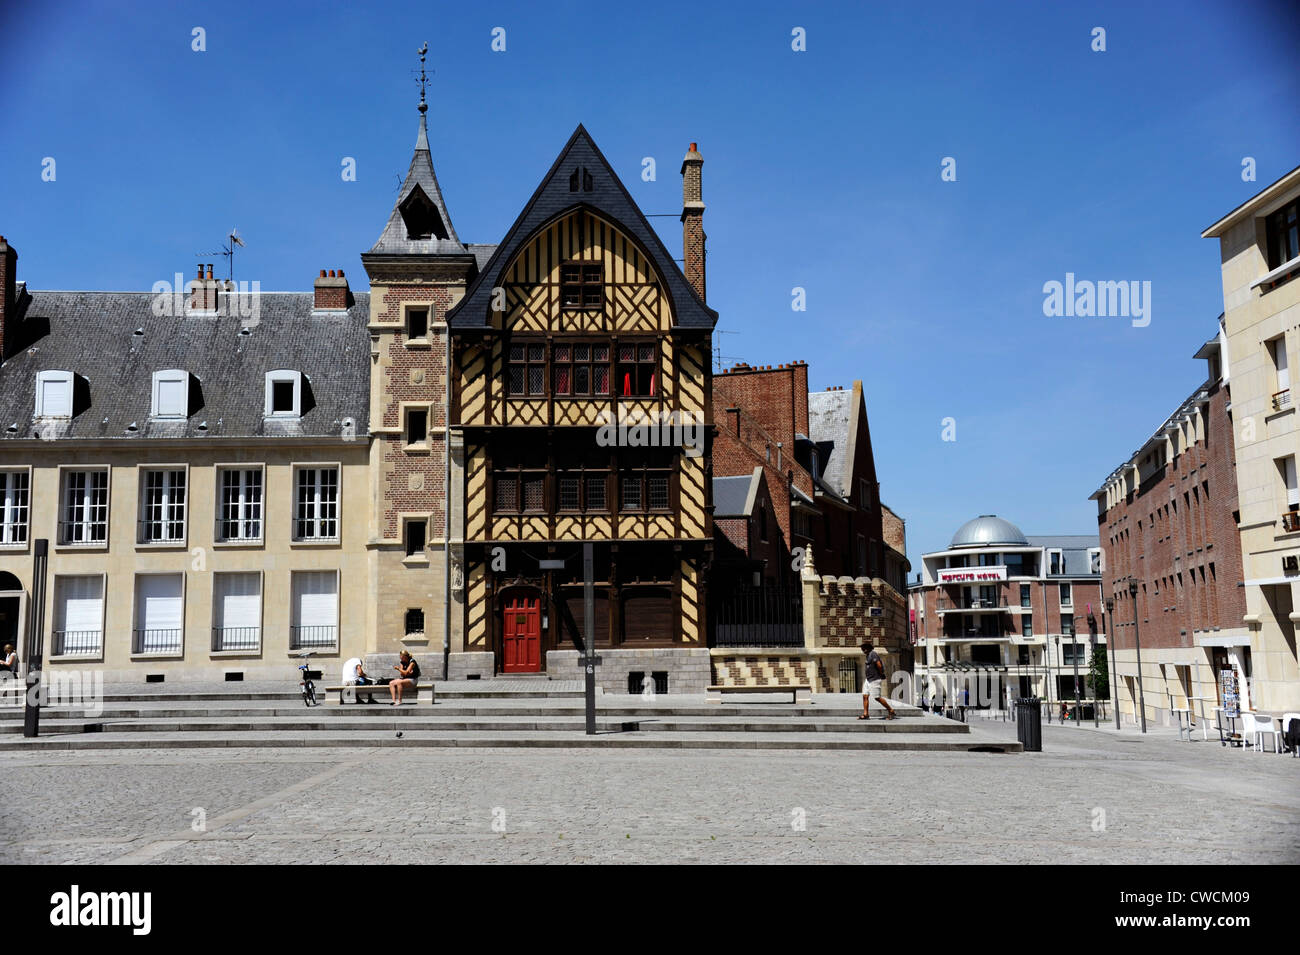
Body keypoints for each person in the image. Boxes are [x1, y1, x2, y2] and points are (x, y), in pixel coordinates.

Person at [858, 643, 895, 721]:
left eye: (864, 648)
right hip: (868, 679)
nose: (862, 650)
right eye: (862, 648)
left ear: (868, 648)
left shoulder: (873, 654)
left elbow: (879, 665)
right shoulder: (868, 655)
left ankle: (891, 710)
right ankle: (866, 714)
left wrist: (881, 674)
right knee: (865, 696)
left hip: (874, 679)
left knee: (877, 697)